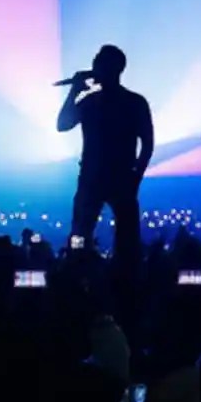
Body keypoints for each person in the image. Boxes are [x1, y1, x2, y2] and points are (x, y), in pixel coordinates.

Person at [56, 45, 154, 273]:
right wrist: (135, 178)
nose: (93, 67)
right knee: (119, 239)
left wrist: (75, 91)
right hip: (113, 179)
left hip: (98, 178)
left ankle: (82, 276)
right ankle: (116, 280)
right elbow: (62, 125)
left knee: (84, 233)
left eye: (97, 62)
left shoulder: (101, 102)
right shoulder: (131, 101)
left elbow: (62, 125)